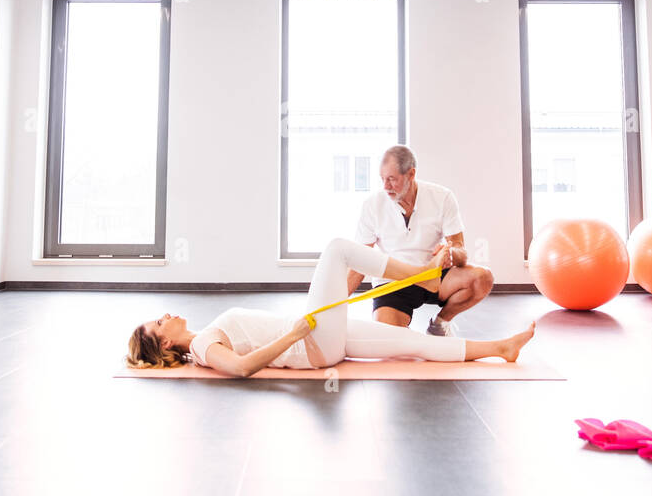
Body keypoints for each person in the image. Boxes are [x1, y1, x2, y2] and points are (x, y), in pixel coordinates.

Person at [127, 238, 533, 377]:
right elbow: (241, 369)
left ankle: (501, 349)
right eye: (158, 323)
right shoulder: (202, 348)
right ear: (163, 344)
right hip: (312, 342)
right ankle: (421, 275)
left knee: (409, 342)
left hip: (321, 343)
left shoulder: (203, 339)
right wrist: (294, 335)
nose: (166, 316)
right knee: (338, 249)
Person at [347, 145, 493, 337]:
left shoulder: (442, 197)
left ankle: (440, 325)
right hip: (394, 282)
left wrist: (451, 254)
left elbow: (460, 249)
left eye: (392, 179)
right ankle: (406, 335)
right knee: (388, 339)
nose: (385, 186)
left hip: (433, 278)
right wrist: (327, 307)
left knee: (482, 278)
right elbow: (360, 261)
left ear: (411, 174)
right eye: (382, 179)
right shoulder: (372, 205)